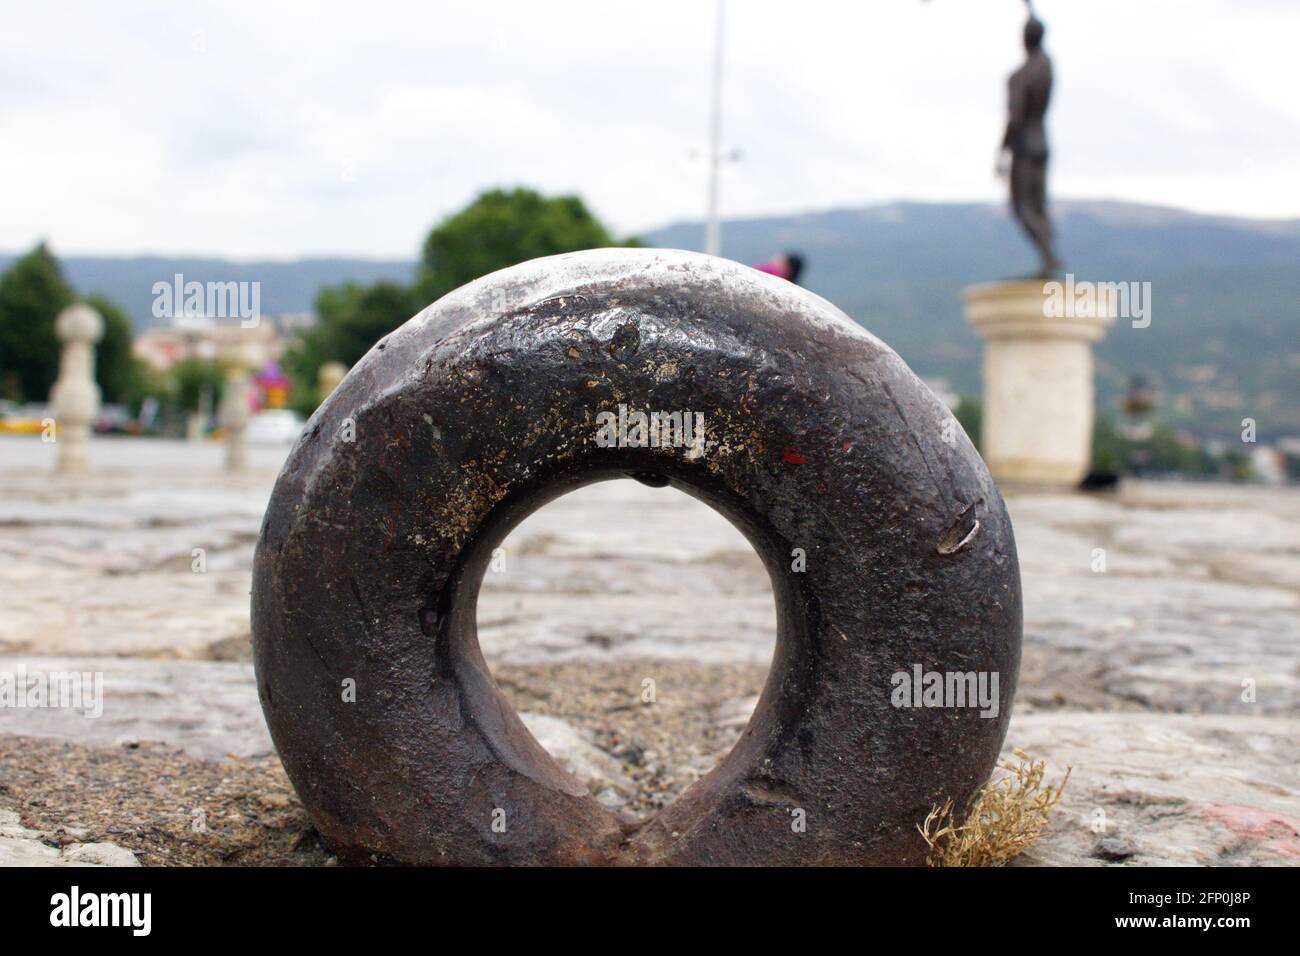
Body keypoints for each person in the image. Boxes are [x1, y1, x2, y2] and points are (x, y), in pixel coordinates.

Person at [997, 13, 1060, 277]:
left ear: (1024, 40)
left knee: (1021, 205)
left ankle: (1048, 255)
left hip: (1024, 145)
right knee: (1038, 204)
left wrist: (1002, 150)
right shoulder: (1046, 68)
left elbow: (1015, 117)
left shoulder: (1019, 77)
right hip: (1042, 142)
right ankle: (1049, 254)